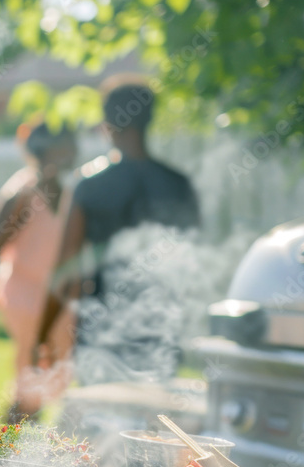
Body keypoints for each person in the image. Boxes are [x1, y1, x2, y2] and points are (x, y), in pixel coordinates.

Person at [36, 76, 201, 357]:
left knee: (104, 400)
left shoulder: (88, 185)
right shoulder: (179, 184)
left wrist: (42, 336)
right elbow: (193, 265)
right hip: (160, 326)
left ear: (106, 124)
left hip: (103, 325)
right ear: (148, 122)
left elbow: (65, 271)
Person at [0, 122, 78, 423]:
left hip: (57, 298)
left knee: (53, 373)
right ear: (46, 150)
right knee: (32, 372)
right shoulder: (22, 191)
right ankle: (11, 439)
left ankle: (24, 433)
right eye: (66, 144)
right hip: (23, 295)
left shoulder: (72, 191)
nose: (73, 151)